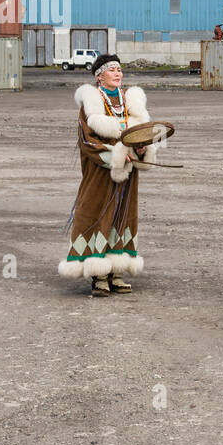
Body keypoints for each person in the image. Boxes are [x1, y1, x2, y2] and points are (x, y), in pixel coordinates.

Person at [58, 55, 164, 296]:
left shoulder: (131, 102)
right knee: (97, 215)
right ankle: (98, 275)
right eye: (112, 70)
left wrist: (141, 149)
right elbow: (87, 141)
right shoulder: (90, 105)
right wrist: (116, 155)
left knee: (123, 216)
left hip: (127, 175)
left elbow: (141, 134)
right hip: (100, 173)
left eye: (119, 70)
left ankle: (116, 272)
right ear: (99, 76)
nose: (118, 74)